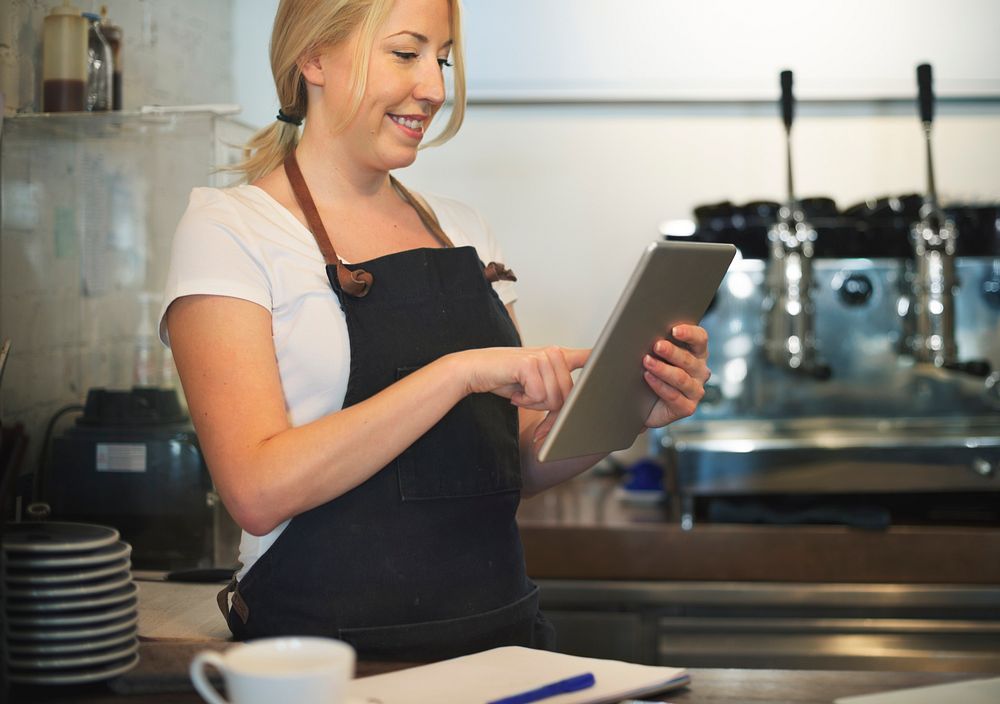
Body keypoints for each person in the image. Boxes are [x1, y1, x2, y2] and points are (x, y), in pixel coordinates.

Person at [160, 0, 711, 660]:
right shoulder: (231, 231)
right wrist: (458, 373)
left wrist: (628, 407)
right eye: (405, 53)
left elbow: (516, 461)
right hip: (327, 665)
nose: (434, 88)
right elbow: (255, 491)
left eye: (442, 59)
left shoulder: (463, 232)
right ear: (314, 58)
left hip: (499, 649)